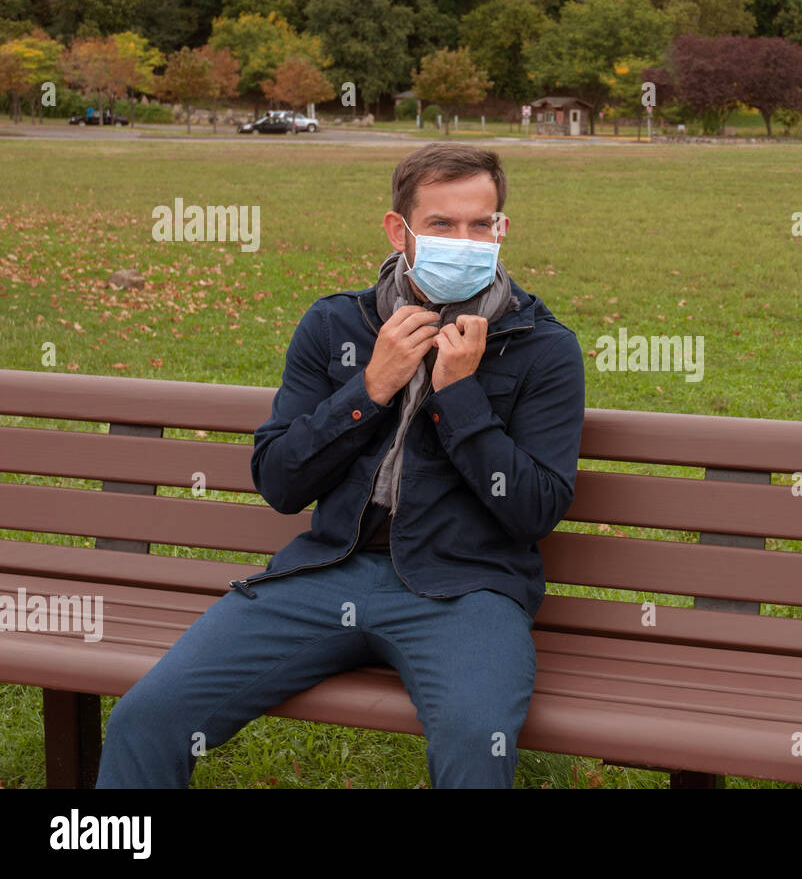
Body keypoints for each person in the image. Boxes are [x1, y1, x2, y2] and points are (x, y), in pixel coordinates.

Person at [96, 143, 586, 788]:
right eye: (441, 224)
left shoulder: (543, 347)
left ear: (501, 230)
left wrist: (460, 394)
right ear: (399, 229)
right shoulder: (336, 325)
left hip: (466, 589)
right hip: (327, 573)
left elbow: (535, 511)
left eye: (480, 224)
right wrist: (371, 389)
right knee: (147, 716)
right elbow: (279, 482)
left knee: (476, 741)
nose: (464, 240)